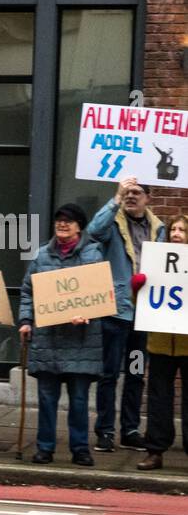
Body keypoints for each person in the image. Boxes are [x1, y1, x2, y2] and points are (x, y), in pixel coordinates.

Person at [17, 204, 104, 467]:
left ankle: (80, 449)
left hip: (81, 340)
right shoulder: (42, 255)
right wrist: (25, 320)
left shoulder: (93, 254)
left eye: (68, 221)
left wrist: (87, 311)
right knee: (46, 398)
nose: (62, 225)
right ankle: (45, 448)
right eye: (59, 220)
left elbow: (98, 291)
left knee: (78, 400)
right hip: (49, 340)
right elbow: (27, 291)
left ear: (80, 226)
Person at [87, 175, 164, 451]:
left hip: (142, 316)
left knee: (134, 373)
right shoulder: (113, 223)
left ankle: (130, 429)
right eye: (127, 192)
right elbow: (93, 232)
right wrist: (115, 198)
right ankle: (105, 431)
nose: (131, 196)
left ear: (148, 197)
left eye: (137, 192)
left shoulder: (159, 229)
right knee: (109, 374)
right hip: (116, 313)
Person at [138, 213, 188, 471]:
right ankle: (155, 451)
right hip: (159, 342)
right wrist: (139, 289)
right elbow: (143, 306)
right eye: (174, 230)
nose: (177, 234)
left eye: (182, 230)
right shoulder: (157, 262)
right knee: (158, 398)